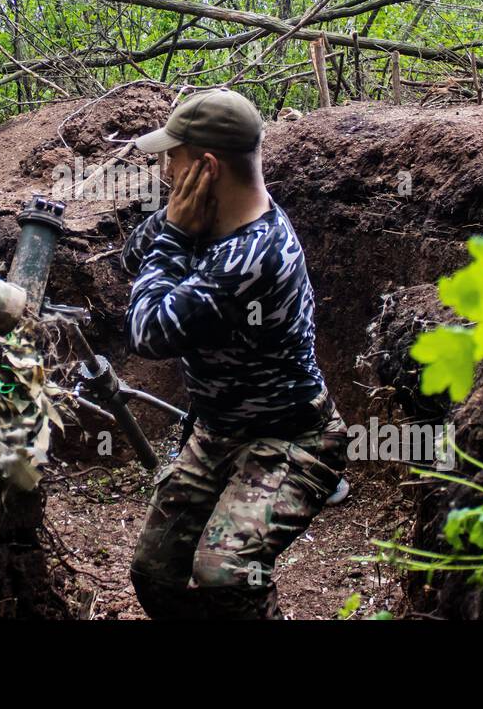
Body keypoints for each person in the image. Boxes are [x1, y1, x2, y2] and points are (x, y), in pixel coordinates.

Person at [122, 88, 350, 619]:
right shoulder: (215, 218)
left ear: (205, 166)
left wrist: (176, 230)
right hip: (217, 431)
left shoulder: (254, 254)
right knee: (154, 573)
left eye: (170, 157)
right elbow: (136, 253)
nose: (163, 167)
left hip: (291, 437)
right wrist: (175, 225)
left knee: (224, 573)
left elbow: (148, 333)